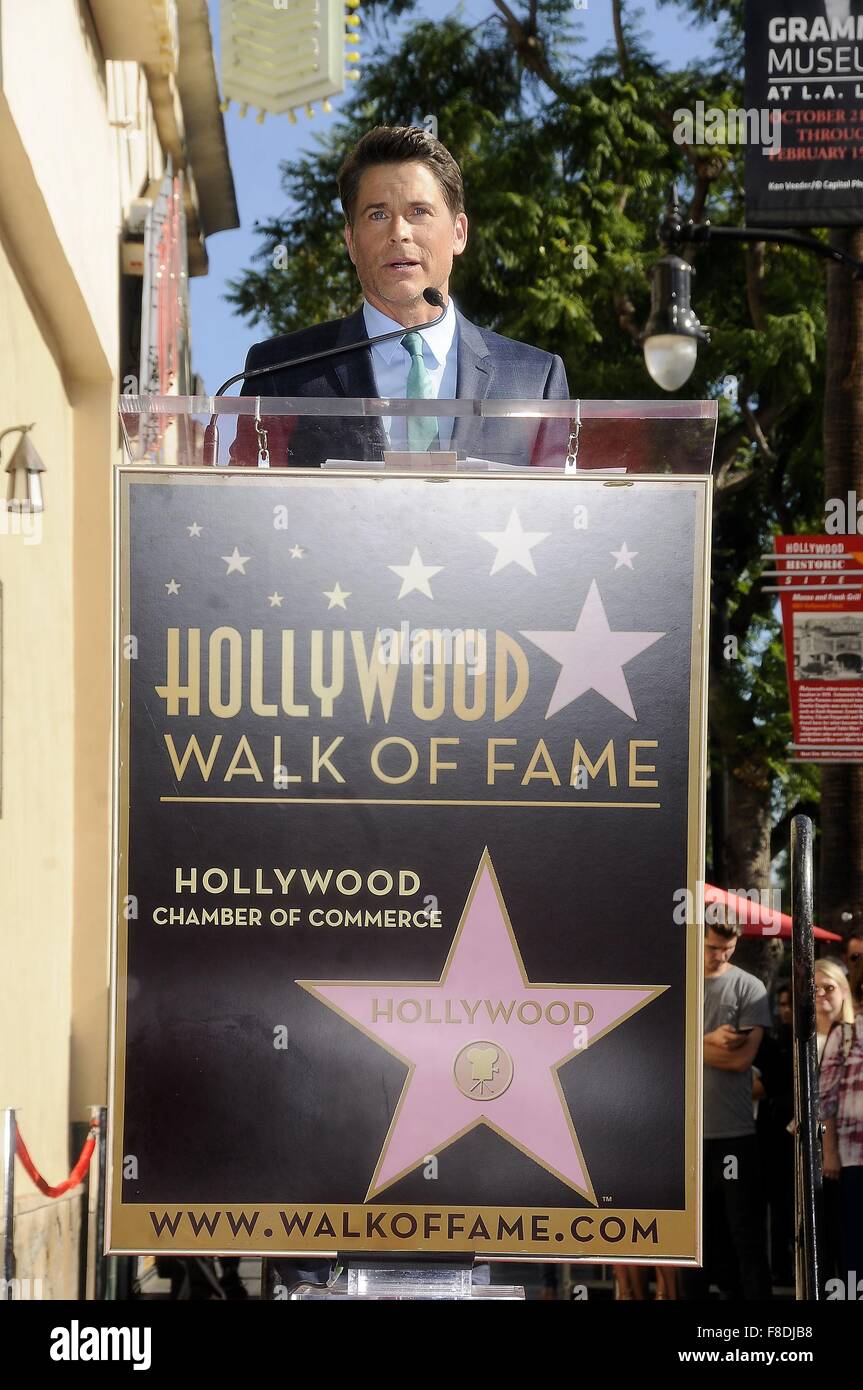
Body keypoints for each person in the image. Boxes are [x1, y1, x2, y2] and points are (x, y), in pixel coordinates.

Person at [229, 126, 570, 469]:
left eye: (418, 212)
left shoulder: (535, 380)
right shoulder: (281, 373)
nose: (399, 233)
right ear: (351, 241)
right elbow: (244, 511)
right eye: (377, 215)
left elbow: (558, 514)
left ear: (458, 233)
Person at [681, 922, 773, 1301]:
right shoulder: (680, 976)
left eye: (727, 947)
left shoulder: (749, 987)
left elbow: (742, 1061)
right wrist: (707, 1041)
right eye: (712, 946)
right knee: (693, 1236)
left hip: (733, 1132)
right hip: (685, 1135)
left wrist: (685, 1044)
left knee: (744, 1231)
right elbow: (658, 1043)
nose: (719, 955)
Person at [820, 1005, 863, 1291]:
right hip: (854, 1157)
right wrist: (830, 1152)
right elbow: (825, 1097)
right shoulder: (847, 1033)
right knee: (855, 1249)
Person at [755, 982, 795, 1287]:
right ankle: (777, 1269)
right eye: (781, 1004)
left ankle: (788, 1268)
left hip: (796, 1133)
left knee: (789, 1206)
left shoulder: (806, 1041)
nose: (785, 1011)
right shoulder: (769, 1041)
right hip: (769, 1133)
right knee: (772, 1205)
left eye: (790, 1004)